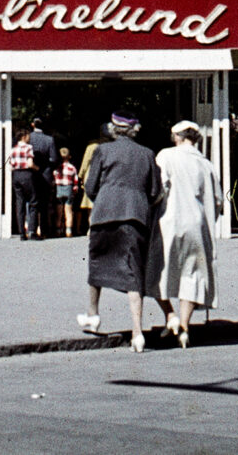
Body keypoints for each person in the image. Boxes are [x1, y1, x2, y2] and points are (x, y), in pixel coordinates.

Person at [78, 111, 160, 351]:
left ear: (114, 129)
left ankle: (93, 315)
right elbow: (154, 192)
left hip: (105, 214)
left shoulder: (102, 151)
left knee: (97, 262)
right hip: (136, 216)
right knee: (134, 271)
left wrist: (105, 198)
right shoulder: (147, 154)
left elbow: (90, 187)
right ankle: (137, 332)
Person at [148, 120, 224, 349]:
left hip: (169, 222)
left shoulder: (166, 156)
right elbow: (218, 200)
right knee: (192, 275)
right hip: (197, 226)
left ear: (178, 137)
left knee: (156, 270)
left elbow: (158, 189)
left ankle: (170, 315)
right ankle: (184, 326)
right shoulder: (206, 164)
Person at [77, 123, 112, 236]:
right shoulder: (113, 146)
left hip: (91, 175)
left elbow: (85, 163)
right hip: (107, 176)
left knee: (90, 204)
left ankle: (92, 226)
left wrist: (81, 175)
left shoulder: (92, 146)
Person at [28, 118, 56, 240]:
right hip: (45, 173)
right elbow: (54, 158)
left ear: (32, 125)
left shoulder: (28, 138)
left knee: (32, 202)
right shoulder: (49, 139)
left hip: (31, 173)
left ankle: (31, 229)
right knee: (44, 204)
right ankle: (44, 230)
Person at [8, 128, 38, 240]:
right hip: (27, 174)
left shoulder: (13, 149)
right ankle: (32, 231)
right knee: (33, 202)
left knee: (19, 203)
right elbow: (30, 163)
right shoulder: (28, 148)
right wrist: (37, 168)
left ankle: (21, 232)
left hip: (16, 175)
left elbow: (10, 166)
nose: (29, 138)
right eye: (28, 136)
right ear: (24, 137)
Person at [53, 147, 80, 237]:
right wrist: (75, 189)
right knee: (68, 211)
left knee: (59, 212)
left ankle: (58, 230)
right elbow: (75, 180)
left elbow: (54, 179)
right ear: (69, 157)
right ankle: (69, 230)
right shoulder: (72, 168)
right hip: (68, 188)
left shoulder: (57, 168)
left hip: (59, 188)